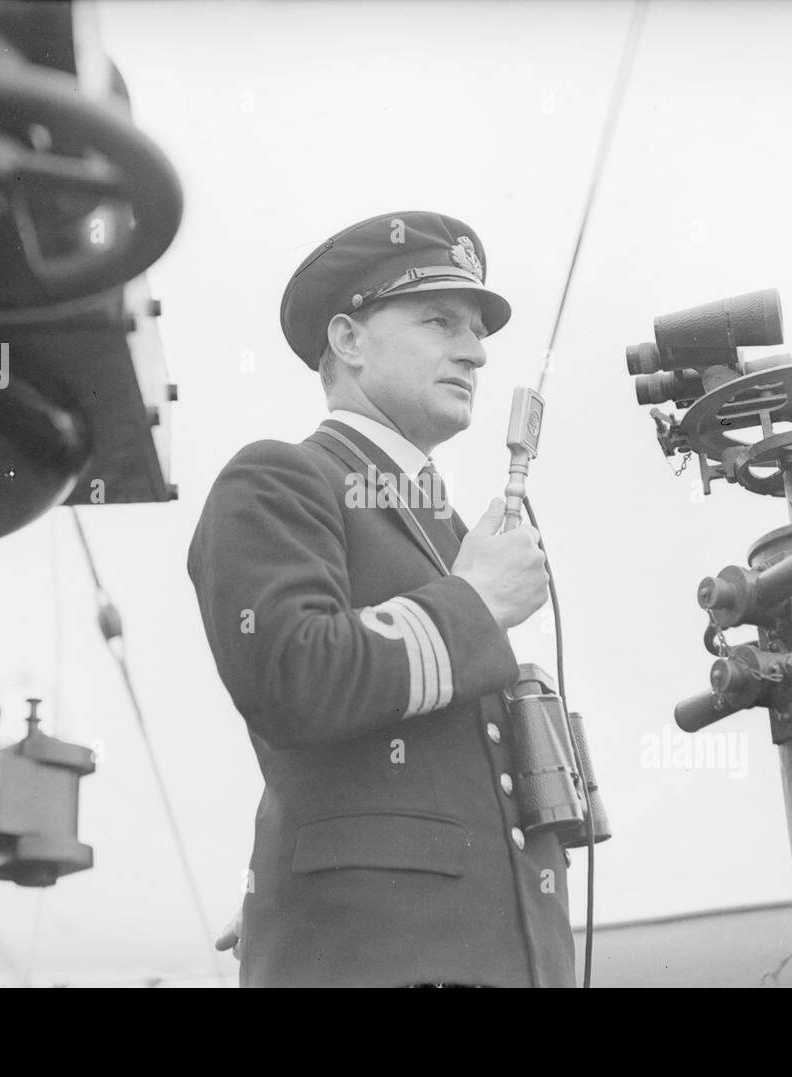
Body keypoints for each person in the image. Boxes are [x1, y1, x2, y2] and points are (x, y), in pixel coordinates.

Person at [188, 210, 575, 987]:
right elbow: (295, 675)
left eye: (476, 331)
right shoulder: (279, 477)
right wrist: (475, 600)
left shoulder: (449, 529)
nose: (476, 351)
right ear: (349, 340)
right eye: (440, 321)